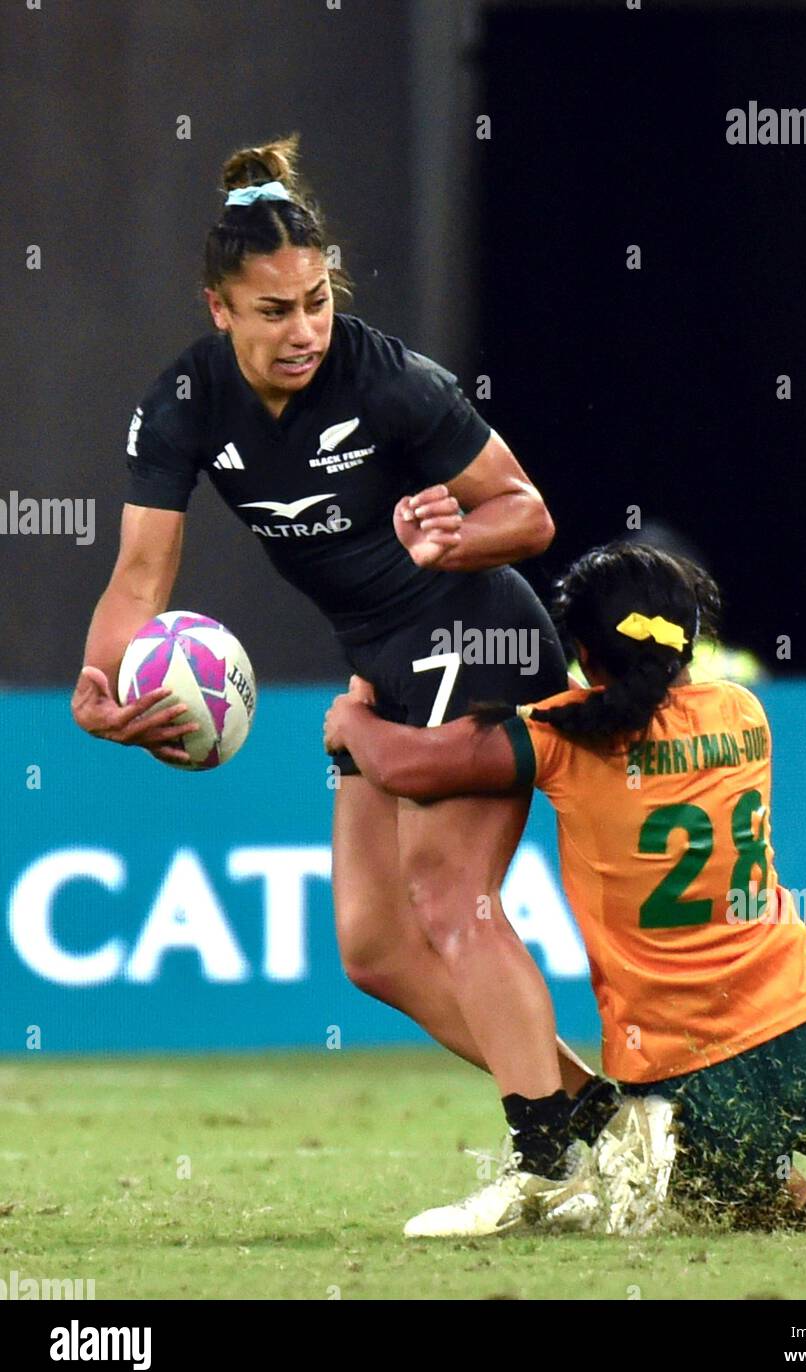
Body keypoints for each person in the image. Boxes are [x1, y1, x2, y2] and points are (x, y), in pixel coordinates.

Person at [70, 134, 634, 1219]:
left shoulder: (387, 378)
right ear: (219, 306)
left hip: (478, 637)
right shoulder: (182, 404)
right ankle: (602, 1125)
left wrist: (450, 541)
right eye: (274, 308)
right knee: (375, 947)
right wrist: (103, 685)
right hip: (382, 660)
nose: (304, 329)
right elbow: (141, 575)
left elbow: (529, 513)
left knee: (447, 897)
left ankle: (548, 1163)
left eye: (316, 300)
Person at [325, 540, 806, 1234]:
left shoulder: (560, 738)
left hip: (688, 1065)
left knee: (721, 1202)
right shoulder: (742, 712)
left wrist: (353, 722)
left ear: (583, 656)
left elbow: (409, 768)